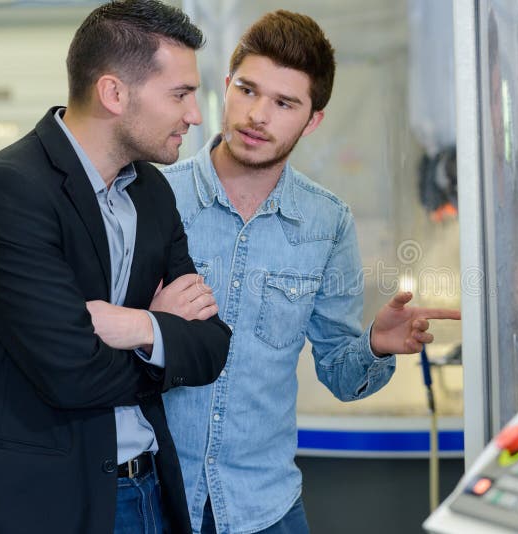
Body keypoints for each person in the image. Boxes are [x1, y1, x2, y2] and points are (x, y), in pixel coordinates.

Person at [161, 10, 461, 534]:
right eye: (248, 91)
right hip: (154, 503)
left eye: (284, 103)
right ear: (226, 86)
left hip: (265, 509)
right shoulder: (156, 197)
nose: (258, 115)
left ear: (312, 119)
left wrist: (373, 346)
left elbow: (340, 375)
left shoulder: (327, 223)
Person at [0, 1, 232, 533]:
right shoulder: (10, 189)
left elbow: (212, 344)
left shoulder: (152, 193)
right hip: (48, 505)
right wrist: (165, 336)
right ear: (113, 93)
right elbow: (70, 374)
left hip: (152, 491)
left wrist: (135, 326)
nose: (195, 115)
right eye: (180, 94)